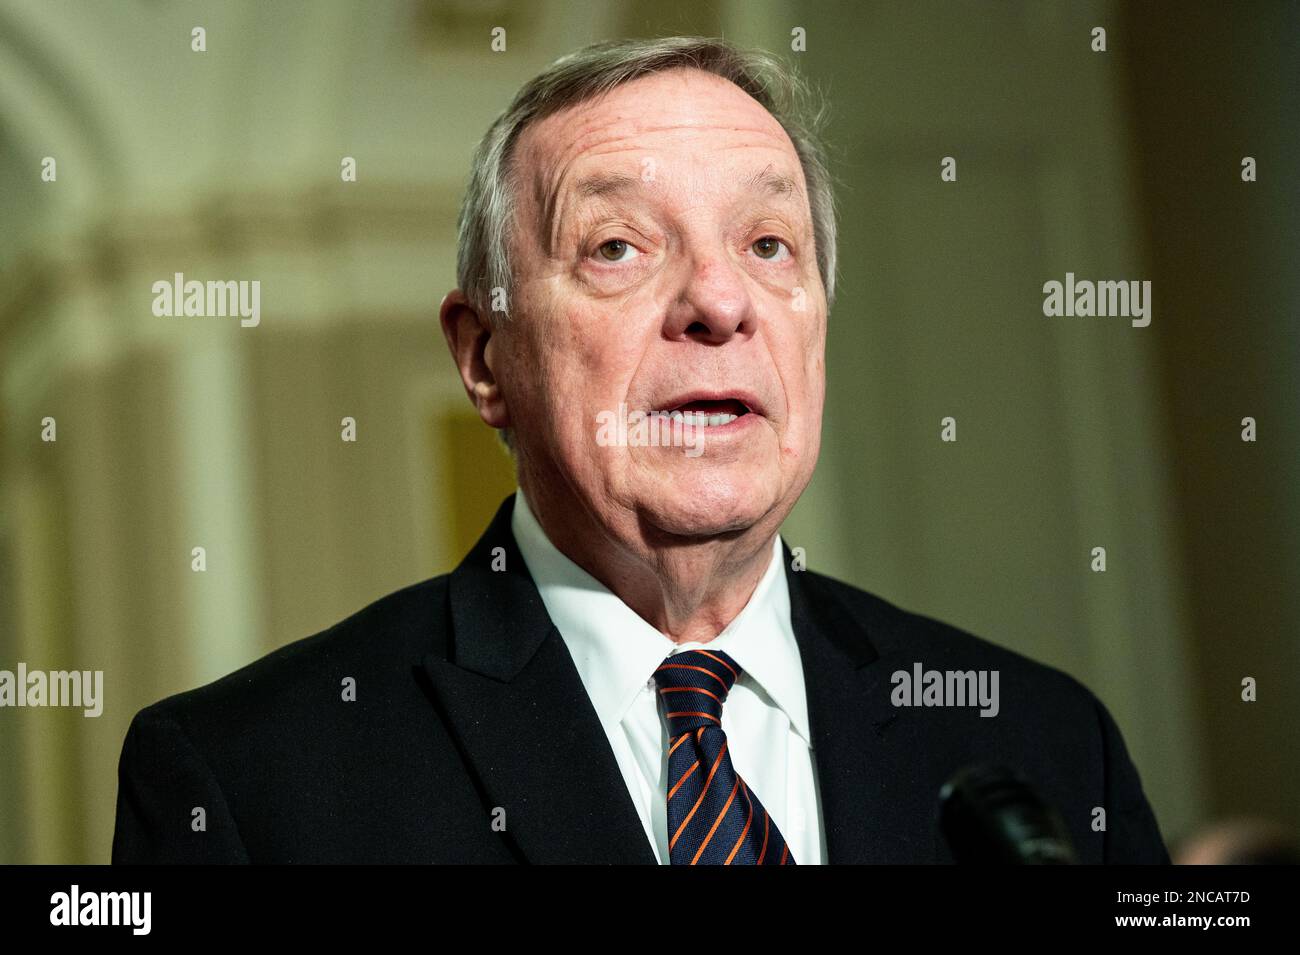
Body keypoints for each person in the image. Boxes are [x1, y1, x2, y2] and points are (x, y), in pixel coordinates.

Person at [112, 36, 1169, 864]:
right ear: (485, 359)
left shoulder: (1042, 741)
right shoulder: (252, 781)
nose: (718, 301)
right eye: (618, 246)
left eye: (767, 245)